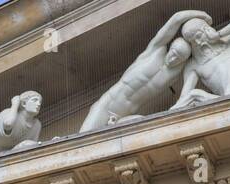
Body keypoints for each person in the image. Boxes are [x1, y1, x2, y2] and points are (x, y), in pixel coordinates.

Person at [79, 10, 211, 132]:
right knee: (81, 143)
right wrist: (203, 15)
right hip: (107, 108)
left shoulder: (175, 74)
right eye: (173, 53)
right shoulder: (155, 51)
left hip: (123, 119)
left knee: (146, 128)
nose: (173, 58)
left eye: (179, 58)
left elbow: (204, 60)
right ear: (170, 47)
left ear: (183, 61)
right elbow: (175, 20)